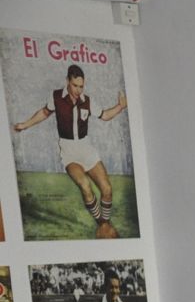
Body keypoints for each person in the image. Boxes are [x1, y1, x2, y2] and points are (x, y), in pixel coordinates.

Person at [11, 65, 128, 238]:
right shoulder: (56, 97)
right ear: (67, 81)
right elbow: (44, 113)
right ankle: (104, 226)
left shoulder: (87, 101)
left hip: (86, 149)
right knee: (85, 186)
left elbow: (104, 115)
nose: (78, 90)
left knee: (107, 189)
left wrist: (121, 107)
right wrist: (24, 125)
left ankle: (103, 227)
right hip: (69, 152)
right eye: (75, 85)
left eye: (81, 86)